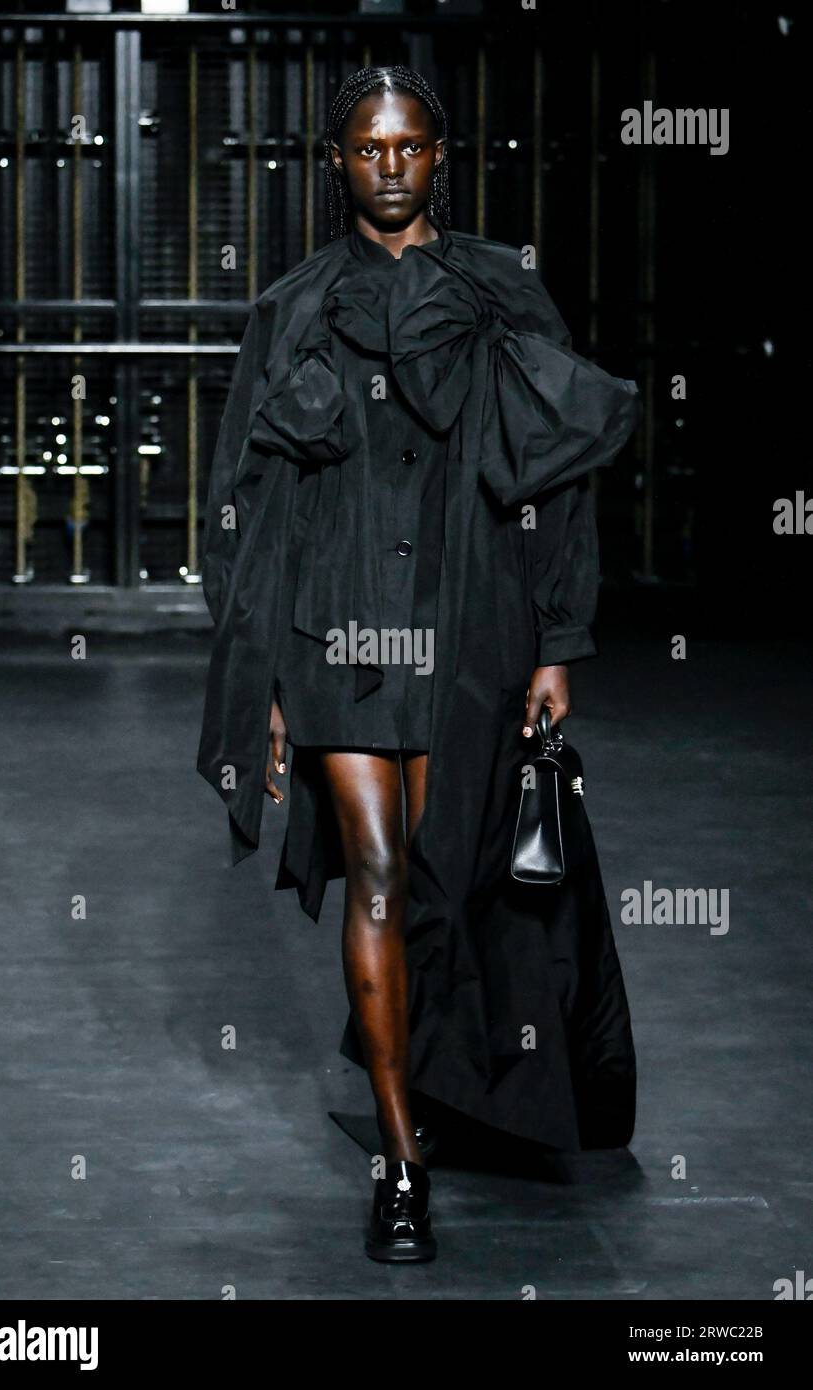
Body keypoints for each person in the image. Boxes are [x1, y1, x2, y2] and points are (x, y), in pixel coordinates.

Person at [198, 65, 640, 1264]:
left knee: (447, 879)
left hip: (470, 623)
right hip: (335, 629)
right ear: (334, 161)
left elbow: (554, 477)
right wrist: (264, 680)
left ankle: (444, 1091)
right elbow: (243, 497)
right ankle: (400, 1160)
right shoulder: (291, 310)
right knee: (382, 875)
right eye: (364, 145)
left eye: (408, 144)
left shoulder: (502, 294)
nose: (387, 163)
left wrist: (555, 637)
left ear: (441, 154)